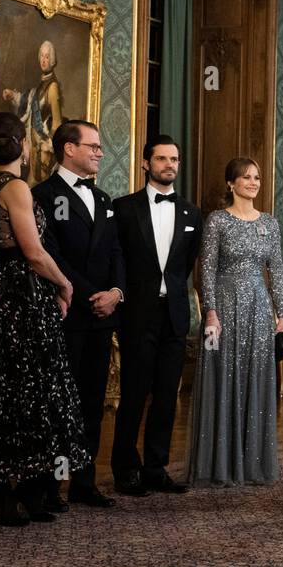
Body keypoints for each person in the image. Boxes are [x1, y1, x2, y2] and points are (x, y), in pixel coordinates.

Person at [0, 112, 89, 526]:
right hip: (24, 298)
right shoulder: (16, 186)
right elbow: (34, 252)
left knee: (11, 394)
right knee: (36, 395)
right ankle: (20, 493)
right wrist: (65, 284)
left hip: (1, 299)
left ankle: (17, 493)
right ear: (23, 144)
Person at [31, 119, 124, 509]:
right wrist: (92, 295)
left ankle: (84, 483)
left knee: (91, 403)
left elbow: (118, 253)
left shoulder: (103, 199)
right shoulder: (40, 194)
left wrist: (116, 293)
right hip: (67, 315)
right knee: (58, 404)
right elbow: (52, 257)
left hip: (103, 318)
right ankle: (51, 488)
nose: (100, 153)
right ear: (69, 149)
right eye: (93, 146)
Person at [187, 157, 283, 486]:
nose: (253, 182)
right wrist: (211, 313)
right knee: (222, 379)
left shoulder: (270, 224)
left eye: (257, 177)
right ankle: (218, 467)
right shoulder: (217, 220)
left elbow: (277, 271)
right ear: (231, 183)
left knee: (256, 379)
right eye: (246, 177)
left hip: (259, 311)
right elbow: (206, 270)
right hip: (223, 312)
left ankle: (252, 466)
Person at [111, 135, 203, 496]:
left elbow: (186, 265)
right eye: (162, 158)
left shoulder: (191, 213)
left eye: (175, 159)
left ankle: (156, 467)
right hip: (137, 313)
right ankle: (124, 468)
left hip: (175, 316)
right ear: (146, 163)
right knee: (133, 394)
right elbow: (117, 259)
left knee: (167, 396)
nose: (170, 165)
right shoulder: (123, 208)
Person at [1, 39, 62, 185]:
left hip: (43, 148)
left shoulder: (52, 87)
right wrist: (13, 96)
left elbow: (57, 122)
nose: (44, 60)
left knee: (37, 186)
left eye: (47, 56)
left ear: (52, 60)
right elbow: (28, 100)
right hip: (33, 146)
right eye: (42, 56)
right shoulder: (40, 85)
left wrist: (49, 146)